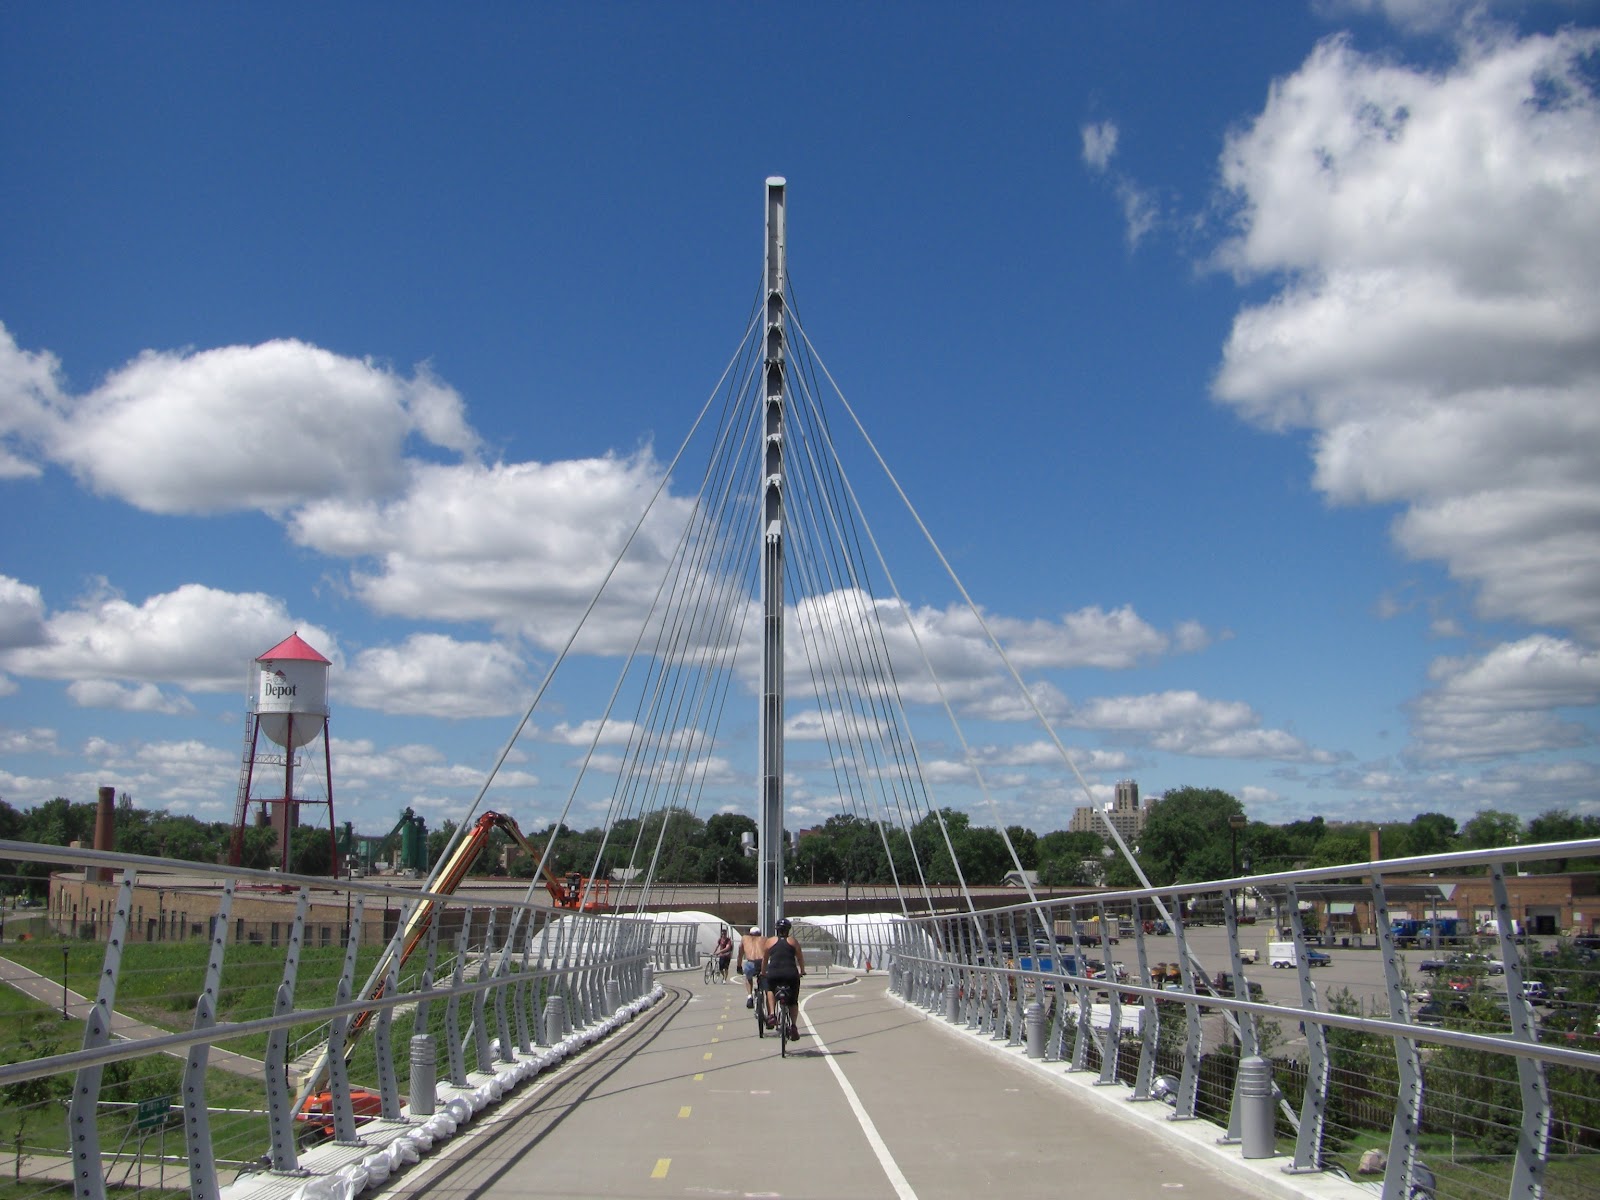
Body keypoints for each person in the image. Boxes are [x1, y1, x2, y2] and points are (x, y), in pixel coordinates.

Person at [762, 917, 806, 1036]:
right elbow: (800, 958)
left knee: (770, 989)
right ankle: (793, 1026)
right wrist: (802, 971)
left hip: (774, 973)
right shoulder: (793, 941)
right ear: (788, 930)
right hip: (790, 974)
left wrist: (763, 972)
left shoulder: (770, 941)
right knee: (793, 1001)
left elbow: (765, 960)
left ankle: (771, 1014)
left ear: (777, 930)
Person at [737, 925, 764, 1008]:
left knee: (748, 978)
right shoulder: (764, 939)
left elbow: (740, 954)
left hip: (750, 963)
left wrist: (739, 966)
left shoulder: (745, 938)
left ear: (750, 934)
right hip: (761, 963)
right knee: (763, 977)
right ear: (759, 934)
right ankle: (762, 991)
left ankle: (749, 996)